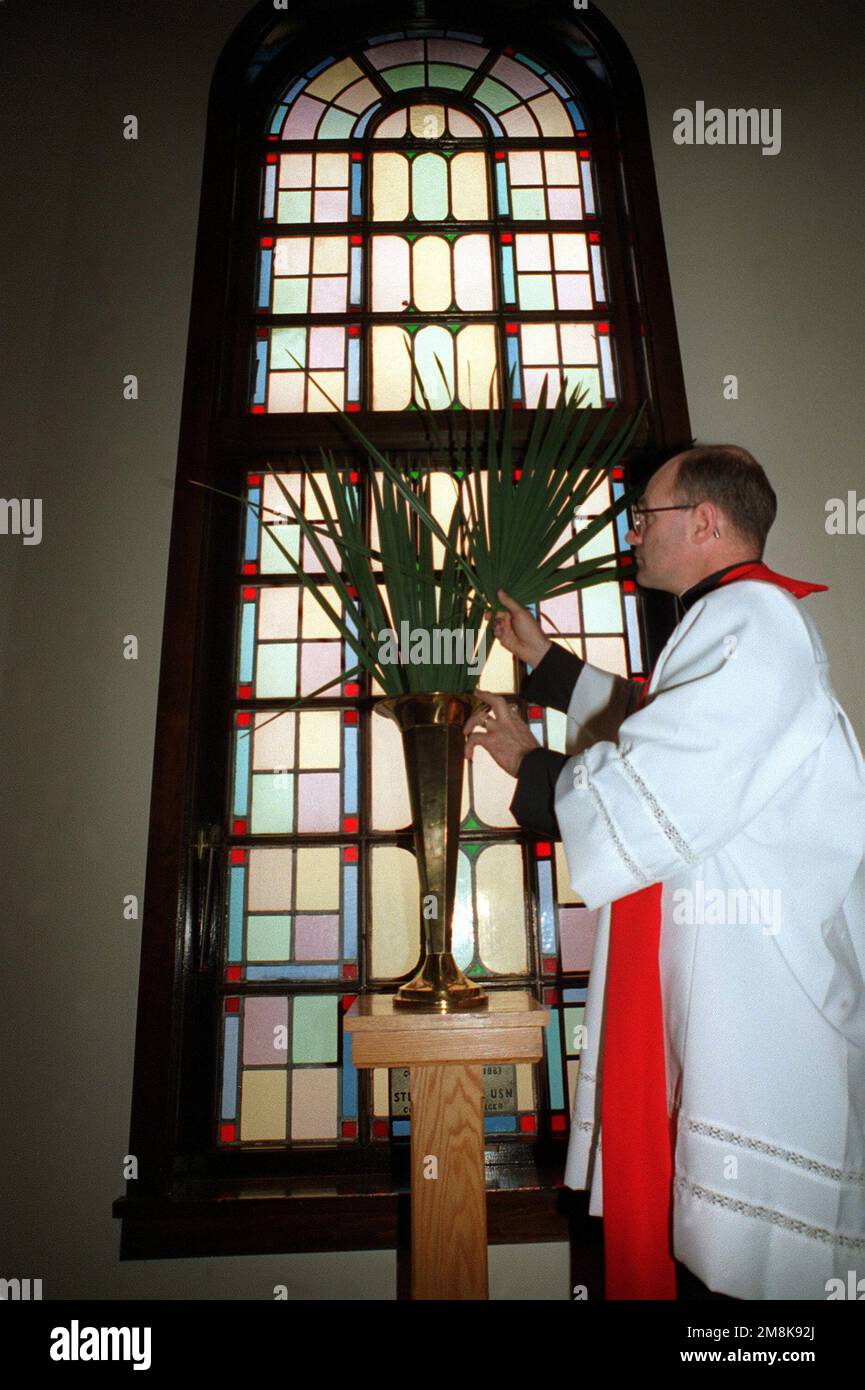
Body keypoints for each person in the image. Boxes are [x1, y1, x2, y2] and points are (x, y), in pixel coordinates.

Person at [464, 445, 865, 1301]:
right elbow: (659, 721)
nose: (632, 532)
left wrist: (536, 772)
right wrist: (547, 664)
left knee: (748, 1293)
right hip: (739, 991)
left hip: (760, 1016)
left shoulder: (753, 622)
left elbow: (665, 770)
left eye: (645, 515)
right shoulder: (740, 620)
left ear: (706, 522)